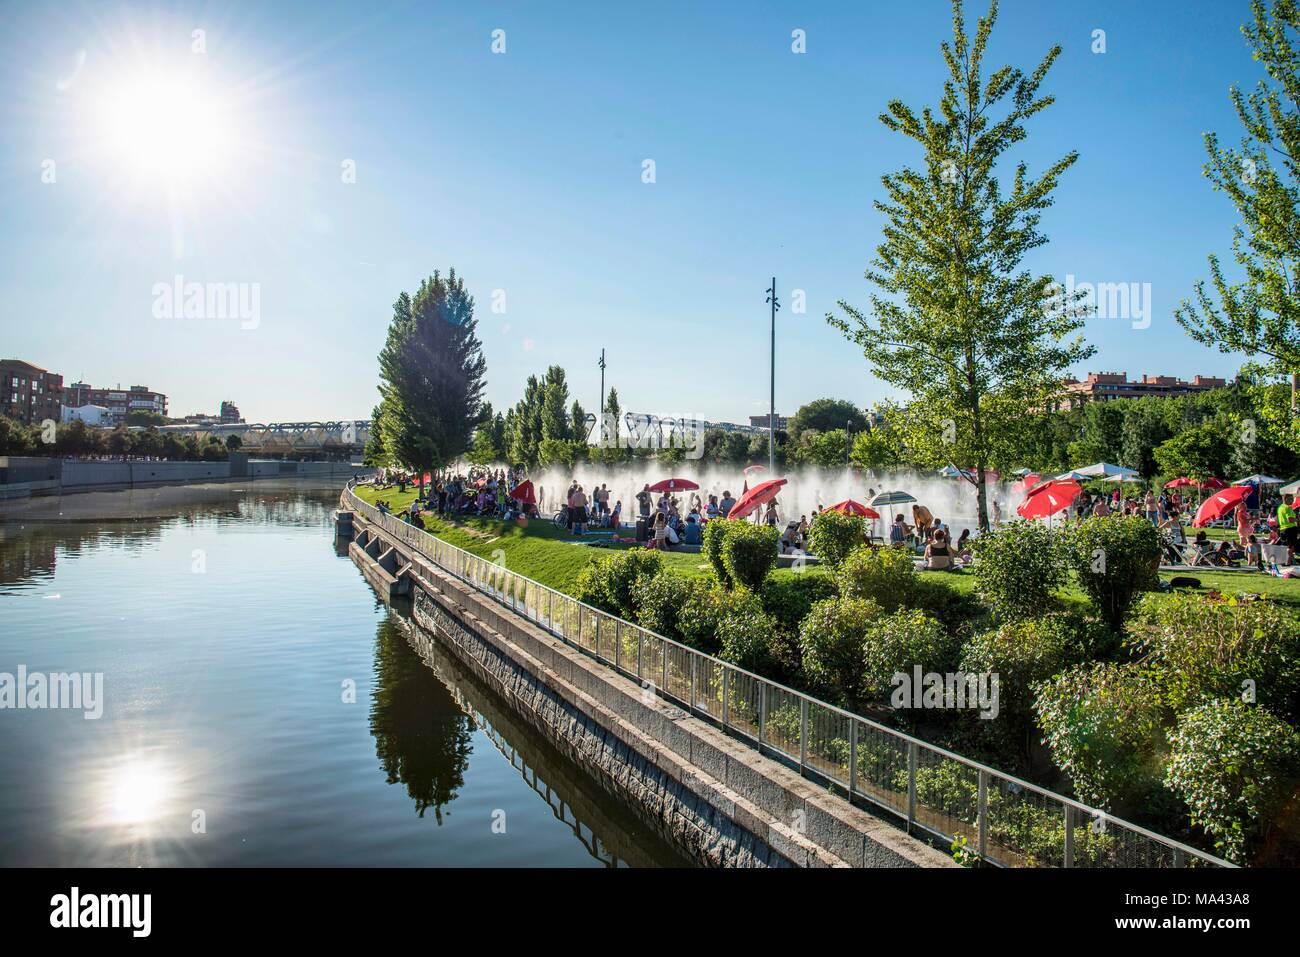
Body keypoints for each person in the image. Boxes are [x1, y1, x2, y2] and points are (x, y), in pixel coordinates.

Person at [1278, 494, 1298, 565]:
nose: (1292, 501)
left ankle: (1288, 561)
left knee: (1286, 546)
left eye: (1292, 499)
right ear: (1285, 499)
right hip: (1290, 529)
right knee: (1291, 547)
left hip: (1283, 529)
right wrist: (1297, 519)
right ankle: (1287, 562)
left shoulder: (1280, 507)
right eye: (1290, 499)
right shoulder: (1288, 508)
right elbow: (1290, 520)